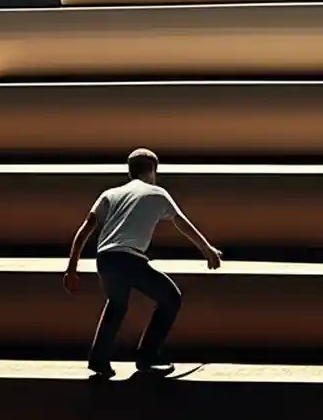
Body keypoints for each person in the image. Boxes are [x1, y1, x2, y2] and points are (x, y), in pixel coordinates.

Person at [63, 148, 222, 379]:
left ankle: (99, 359)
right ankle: (147, 357)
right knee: (171, 298)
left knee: (117, 304)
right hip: (129, 258)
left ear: (130, 172)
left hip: (105, 259)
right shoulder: (157, 193)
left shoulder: (110, 194)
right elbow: (182, 223)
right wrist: (207, 250)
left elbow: (84, 230)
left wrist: (71, 269)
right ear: (153, 171)